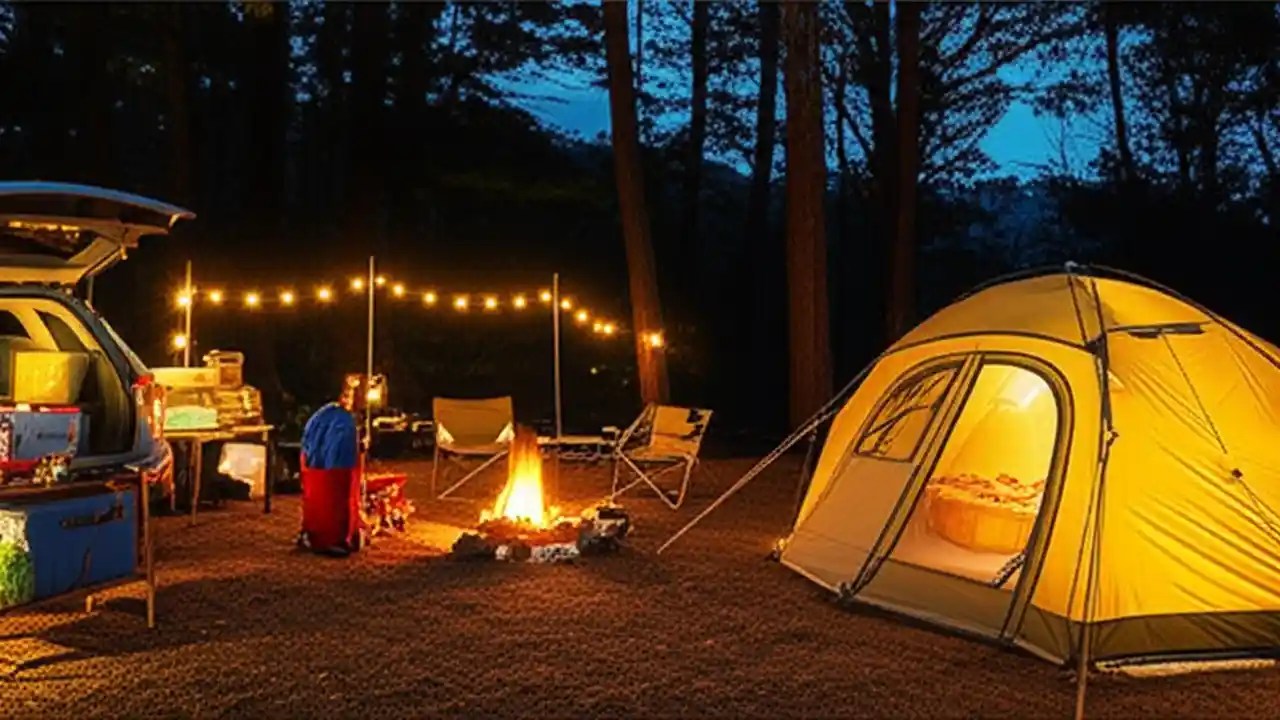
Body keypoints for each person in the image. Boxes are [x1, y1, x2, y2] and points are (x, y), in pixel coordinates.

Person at [298, 379, 362, 556]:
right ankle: (335, 538)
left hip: (315, 470)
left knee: (318, 501)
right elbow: (342, 448)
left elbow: (307, 445)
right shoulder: (342, 420)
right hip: (338, 470)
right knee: (336, 502)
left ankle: (317, 534)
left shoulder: (318, 417)